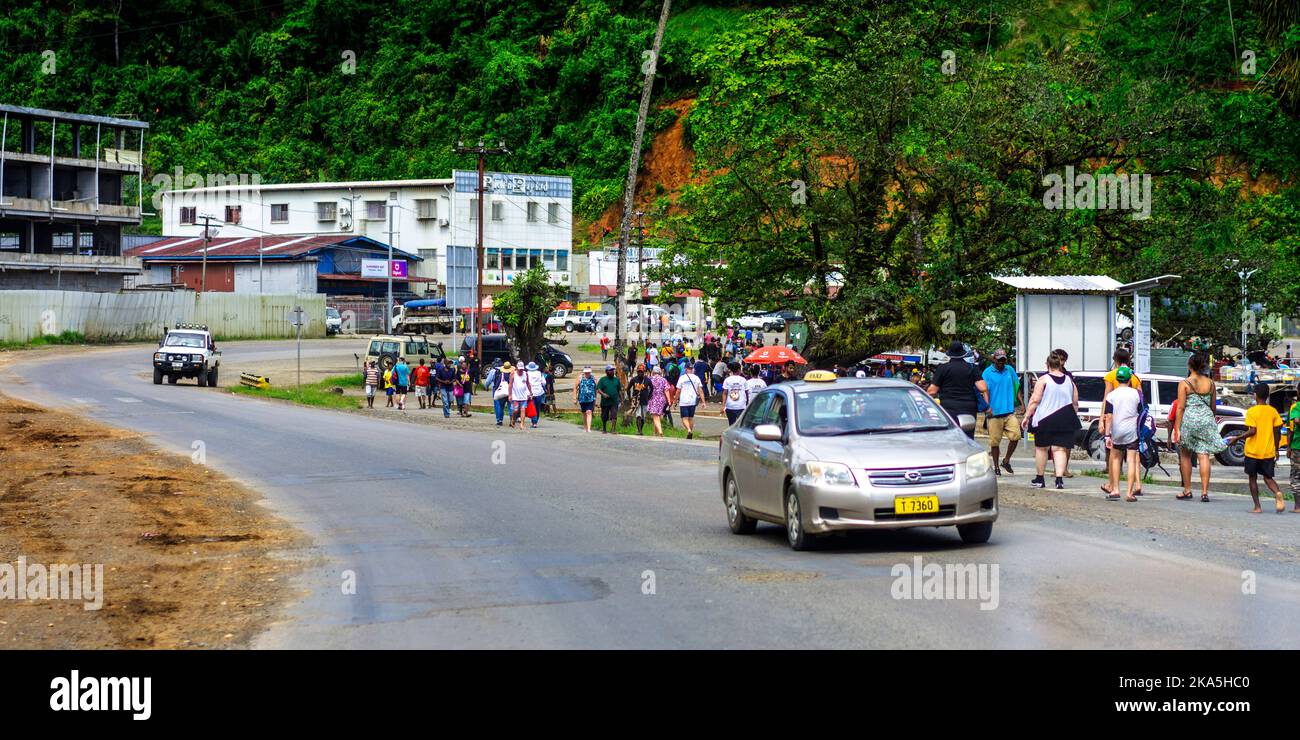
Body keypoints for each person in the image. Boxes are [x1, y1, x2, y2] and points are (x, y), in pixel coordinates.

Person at [1172, 352, 1226, 501]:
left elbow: (1181, 407)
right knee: (1204, 455)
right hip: (1206, 420)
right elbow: (1213, 407)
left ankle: (1187, 490)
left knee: (1185, 455)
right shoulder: (1211, 383)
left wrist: (1177, 428)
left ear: (1190, 366)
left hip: (1189, 420)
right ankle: (1204, 492)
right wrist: (1208, 419)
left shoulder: (1184, 383)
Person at [1023, 351, 1080, 489]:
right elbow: (1075, 402)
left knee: (1042, 449)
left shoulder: (1043, 380)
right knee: (1059, 449)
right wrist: (1072, 416)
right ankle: (1059, 480)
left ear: (1047, 364)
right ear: (1059, 364)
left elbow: (1035, 400)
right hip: (1065, 418)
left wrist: (1027, 416)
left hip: (1045, 419)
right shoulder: (1069, 381)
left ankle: (1040, 479)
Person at [1226, 383, 1286, 513]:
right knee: (1268, 478)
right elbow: (1277, 432)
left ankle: (1257, 507)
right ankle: (1278, 493)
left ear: (1255, 395)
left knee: (1252, 478)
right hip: (1268, 451)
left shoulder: (1252, 412)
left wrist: (1237, 438)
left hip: (1253, 452)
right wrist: (1276, 448)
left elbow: (1252, 431)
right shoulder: (1273, 411)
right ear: (1267, 396)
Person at [927, 340, 989, 437]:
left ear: (949, 354)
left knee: (950, 437)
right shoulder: (972, 368)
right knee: (967, 438)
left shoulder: (942, 368)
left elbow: (932, 391)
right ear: (963, 354)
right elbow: (983, 387)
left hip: (949, 409)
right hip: (968, 409)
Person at [1100, 366, 1142, 502]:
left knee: (1116, 458)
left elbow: (1109, 416)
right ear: (1130, 379)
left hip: (1117, 431)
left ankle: (1116, 489)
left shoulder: (1111, 395)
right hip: (1132, 430)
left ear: (1117, 380)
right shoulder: (1136, 394)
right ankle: (1129, 493)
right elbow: (1141, 412)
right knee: (1131, 460)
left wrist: (1107, 435)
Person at [982, 349, 1020, 475]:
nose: (1001, 362)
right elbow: (984, 391)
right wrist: (987, 407)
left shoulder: (1009, 370)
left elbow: (1016, 386)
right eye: (999, 360)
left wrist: (1022, 403)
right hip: (994, 413)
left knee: (1016, 436)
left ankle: (1006, 460)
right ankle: (996, 466)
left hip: (1009, 411)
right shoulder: (987, 372)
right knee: (995, 442)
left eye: (1003, 360)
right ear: (994, 359)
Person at [675, 362, 706, 439]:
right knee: (691, 418)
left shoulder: (682, 378)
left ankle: (689, 430)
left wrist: (675, 401)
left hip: (683, 401)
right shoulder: (696, 378)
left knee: (684, 418)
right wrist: (703, 402)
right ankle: (690, 432)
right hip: (693, 401)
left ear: (685, 369)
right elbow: (700, 390)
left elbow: (678, 391)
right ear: (692, 369)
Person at [596, 364, 622, 434]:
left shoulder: (616, 380)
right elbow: (598, 389)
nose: (612, 372)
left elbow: (619, 390)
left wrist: (621, 400)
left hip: (614, 401)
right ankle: (604, 428)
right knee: (604, 416)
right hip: (605, 402)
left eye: (613, 370)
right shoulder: (603, 380)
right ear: (606, 371)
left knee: (614, 415)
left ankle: (613, 429)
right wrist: (603, 394)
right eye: (610, 370)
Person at [509, 362, 535, 429]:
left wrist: (530, 392)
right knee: (515, 410)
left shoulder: (525, 374)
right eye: (519, 369)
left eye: (522, 369)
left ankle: (522, 425)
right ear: (517, 368)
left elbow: (528, 384)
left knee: (523, 410)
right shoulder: (513, 374)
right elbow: (510, 385)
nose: (521, 370)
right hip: (515, 396)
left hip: (523, 395)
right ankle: (513, 420)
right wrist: (510, 395)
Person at [646, 366, 670, 437]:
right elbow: (666, 390)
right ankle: (655, 433)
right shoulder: (663, 380)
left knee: (655, 416)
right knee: (657, 416)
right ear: (660, 372)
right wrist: (668, 400)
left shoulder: (650, 379)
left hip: (653, 398)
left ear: (653, 372)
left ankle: (660, 431)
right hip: (661, 399)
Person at [573, 366, 597, 432]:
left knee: (589, 412)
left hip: (591, 398)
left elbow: (596, 388)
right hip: (582, 398)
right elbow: (575, 388)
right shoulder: (580, 378)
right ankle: (585, 427)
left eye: (588, 372)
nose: (587, 373)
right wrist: (574, 398)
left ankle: (589, 428)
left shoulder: (593, 378)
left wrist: (595, 398)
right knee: (584, 413)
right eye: (586, 372)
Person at [629, 365, 651, 435]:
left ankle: (641, 430)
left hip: (644, 400)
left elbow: (652, 388)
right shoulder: (634, 379)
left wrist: (649, 397)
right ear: (637, 372)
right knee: (638, 416)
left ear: (644, 372)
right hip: (636, 401)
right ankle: (639, 431)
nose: (640, 373)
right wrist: (630, 398)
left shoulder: (647, 380)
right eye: (639, 372)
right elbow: (628, 389)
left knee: (643, 417)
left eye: (641, 372)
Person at [1287, 393, 1300, 512]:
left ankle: (1297, 507)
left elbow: (1296, 421)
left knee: (1296, 477)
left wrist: (1289, 448)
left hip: (1297, 447)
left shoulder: (1296, 407)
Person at [489, 361, 510, 426]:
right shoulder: (512, 374)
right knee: (510, 407)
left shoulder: (501, 374)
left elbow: (497, 384)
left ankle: (499, 420)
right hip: (509, 392)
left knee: (500, 406)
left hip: (501, 392)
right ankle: (512, 420)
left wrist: (495, 391)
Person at [526, 361, 546, 429]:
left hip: (530, 393)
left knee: (532, 407)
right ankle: (535, 421)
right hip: (539, 392)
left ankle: (533, 422)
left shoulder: (527, 373)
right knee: (537, 408)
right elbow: (544, 383)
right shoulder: (539, 373)